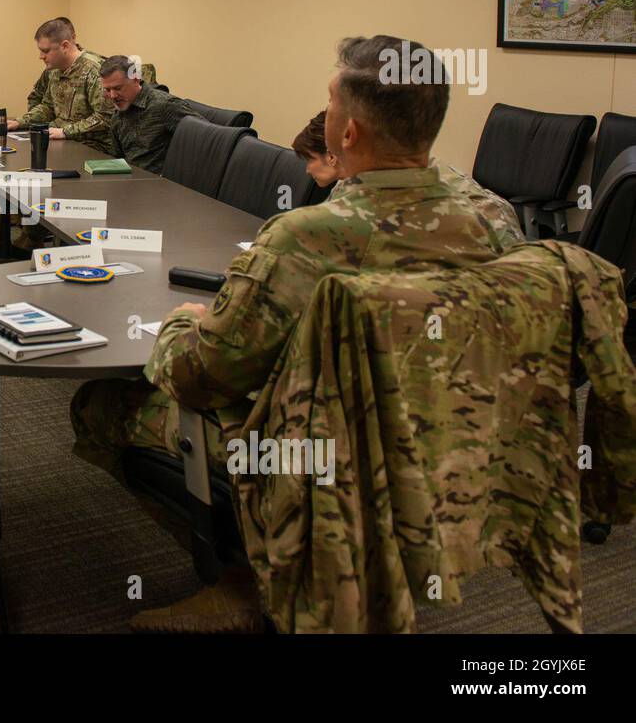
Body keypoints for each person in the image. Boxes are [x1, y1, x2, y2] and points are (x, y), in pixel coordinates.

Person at [70, 35, 520, 633]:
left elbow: (201, 377)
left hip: (323, 459)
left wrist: (187, 321)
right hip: (453, 451)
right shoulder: (496, 217)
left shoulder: (307, 238)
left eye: (330, 102)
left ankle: (240, 585)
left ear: (350, 132)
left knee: (102, 404)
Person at [293, 108, 524, 252]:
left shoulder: (479, 208)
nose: (307, 170)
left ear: (332, 156)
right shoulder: (356, 182)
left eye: (309, 159)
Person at [9, 17, 113, 154]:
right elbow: (48, 106)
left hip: (92, 148)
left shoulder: (94, 70)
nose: (41, 56)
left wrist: (65, 132)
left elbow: (105, 117)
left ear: (64, 46)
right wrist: (19, 122)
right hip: (64, 141)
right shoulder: (56, 70)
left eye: (45, 51)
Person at [101, 55, 199, 175]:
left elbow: (207, 139)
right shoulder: (119, 110)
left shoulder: (164, 105)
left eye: (118, 88)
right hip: (130, 180)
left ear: (135, 80)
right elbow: (117, 157)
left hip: (160, 185)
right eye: (107, 90)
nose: (113, 96)